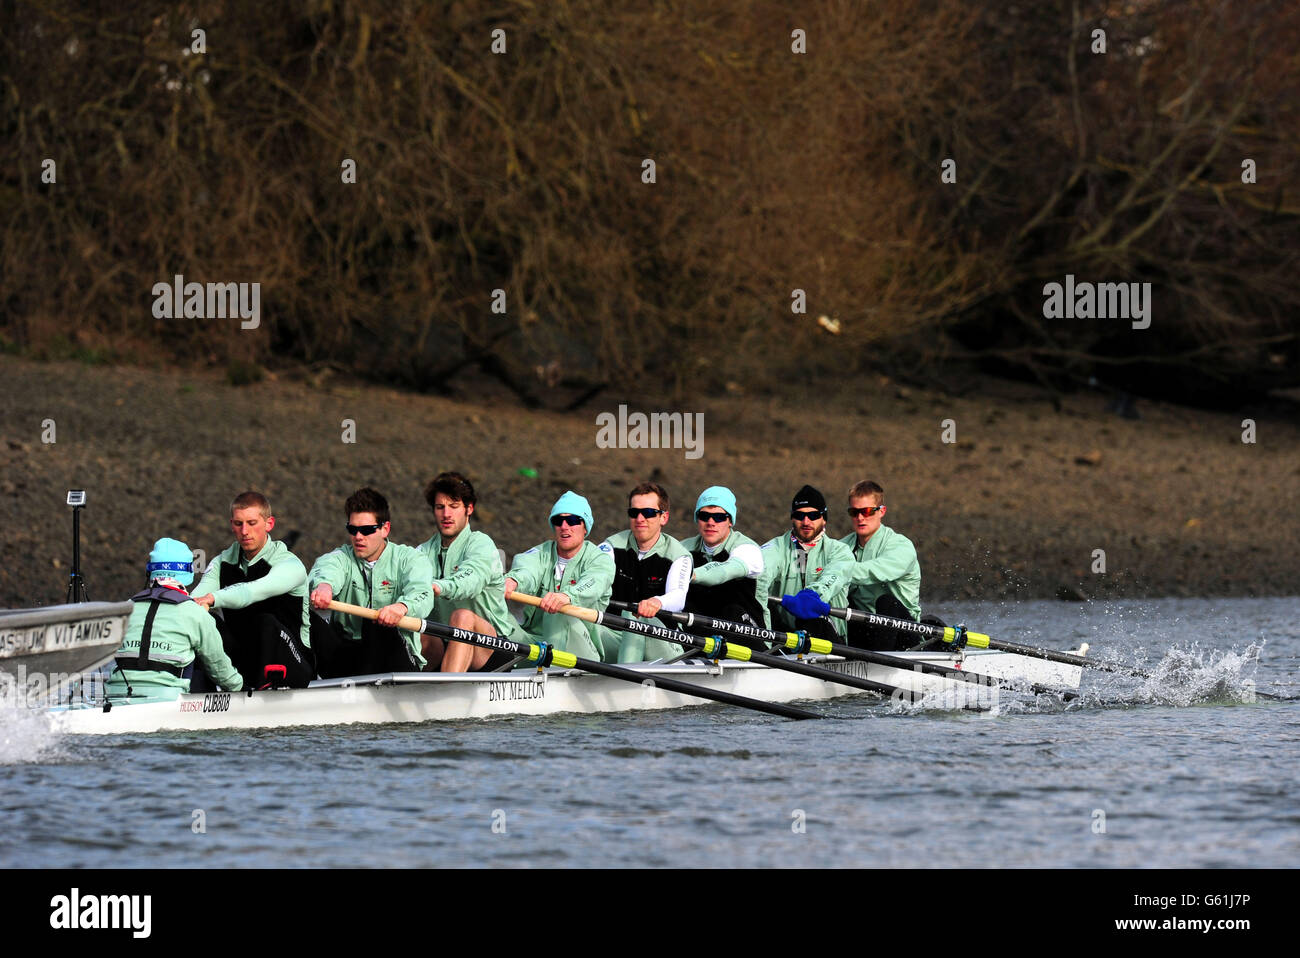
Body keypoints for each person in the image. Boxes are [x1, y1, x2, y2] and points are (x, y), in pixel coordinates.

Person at [191, 491, 314, 688]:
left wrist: (213, 598)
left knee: (265, 621)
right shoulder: (220, 562)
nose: (245, 531)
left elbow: (251, 592)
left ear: (269, 524)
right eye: (239, 524)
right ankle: (195, 688)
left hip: (293, 662)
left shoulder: (291, 565)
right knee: (206, 620)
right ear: (232, 525)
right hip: (242, 662)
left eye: (252, 523)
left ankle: (262, 693)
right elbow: (195, 597)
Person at [308, 487, 434, 677]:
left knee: (375, 622)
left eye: (366, 530)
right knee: (307, 617)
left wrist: (401, 607)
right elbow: (325, 570)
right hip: (349, 655)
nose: (358, 537)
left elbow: (423, 594)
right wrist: (324, 586)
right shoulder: (340, 557)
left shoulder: (410, 559)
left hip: (394, 658)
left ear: (385, 529)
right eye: (353, 529)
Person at [106, 537, 244, 701]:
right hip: (167, 700)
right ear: (188, 571)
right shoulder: (195, 612)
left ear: (150, 571)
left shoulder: (124, 608)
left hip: (115, 697)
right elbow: (220, 669)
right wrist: (241, 688)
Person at [415, 471, 521, 672]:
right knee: (414, 626)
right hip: (448, 642)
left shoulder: (481, 544)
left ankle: (447, 693)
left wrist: (438, 586)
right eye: (440, 507)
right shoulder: (423, 551)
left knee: (462, 616)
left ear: (469, 509)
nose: (446, 514)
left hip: (492, 647)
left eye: (454, 507)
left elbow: (471, 580)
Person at [504, 491, 616, 662]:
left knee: (559, 613)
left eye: (572, 520)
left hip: (581, 649)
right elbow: (526, 570)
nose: (564, 526)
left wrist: (567, 596)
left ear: (585, 527)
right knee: (489, 610)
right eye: (558, 521)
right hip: (536, 645)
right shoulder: (540, 553)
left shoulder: (600, 559)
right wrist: (513, 581)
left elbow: (596, 581)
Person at [601, 481, 690, 663]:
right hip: (617, 636)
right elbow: (597, 577)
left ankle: (625, 682)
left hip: (662, 640)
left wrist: (657, 602)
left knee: (637, 617)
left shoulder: (679, 556)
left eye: (648, 513)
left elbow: (678, 596)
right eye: (634, 513)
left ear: (663, 518)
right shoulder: (611, 546)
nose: (640, 518)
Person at [756, 485, 853, 642]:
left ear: (824, 518)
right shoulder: (776, 547)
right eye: (800, 515)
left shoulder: (840, 551)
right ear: (792, 518)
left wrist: (812, 595)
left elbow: (834, 575)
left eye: (813, 515)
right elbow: (761, 572)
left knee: (809, 617)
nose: (806, 521)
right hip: (785, 637)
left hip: (828, 635)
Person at [839, 480, 925, 651]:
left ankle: (876, 663)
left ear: (882, 511)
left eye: (867, 511)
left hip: (904, 634)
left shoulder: (901, 546)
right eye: (854, 512)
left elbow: (872, 572)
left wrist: (834, 571)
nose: (860, 518)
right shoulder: (842, 547)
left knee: (886, 602)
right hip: (865, 630)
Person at [680, 486, 766, 648]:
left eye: (719, 517)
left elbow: (723, 571)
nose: (710, 522)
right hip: (703, 635)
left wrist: (687, 574)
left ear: (731, 521)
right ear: (697, 519)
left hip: (751, 634)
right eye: (704, 516)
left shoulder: (748, 549)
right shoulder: (683, 548)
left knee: (732, 611)